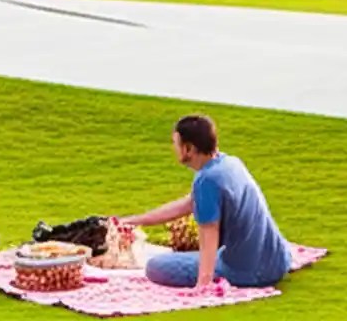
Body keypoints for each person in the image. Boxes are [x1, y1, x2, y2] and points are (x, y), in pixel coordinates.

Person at [120, 115, 291, 290]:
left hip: (250, 272)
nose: (174, 148)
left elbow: (209, 234)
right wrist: (133, 221)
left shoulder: (207, 180)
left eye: (176, 143)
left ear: (188, 148)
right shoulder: (229, 163)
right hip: (278, 261)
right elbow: (187, 204)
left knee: (155, 267)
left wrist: (203, 284)